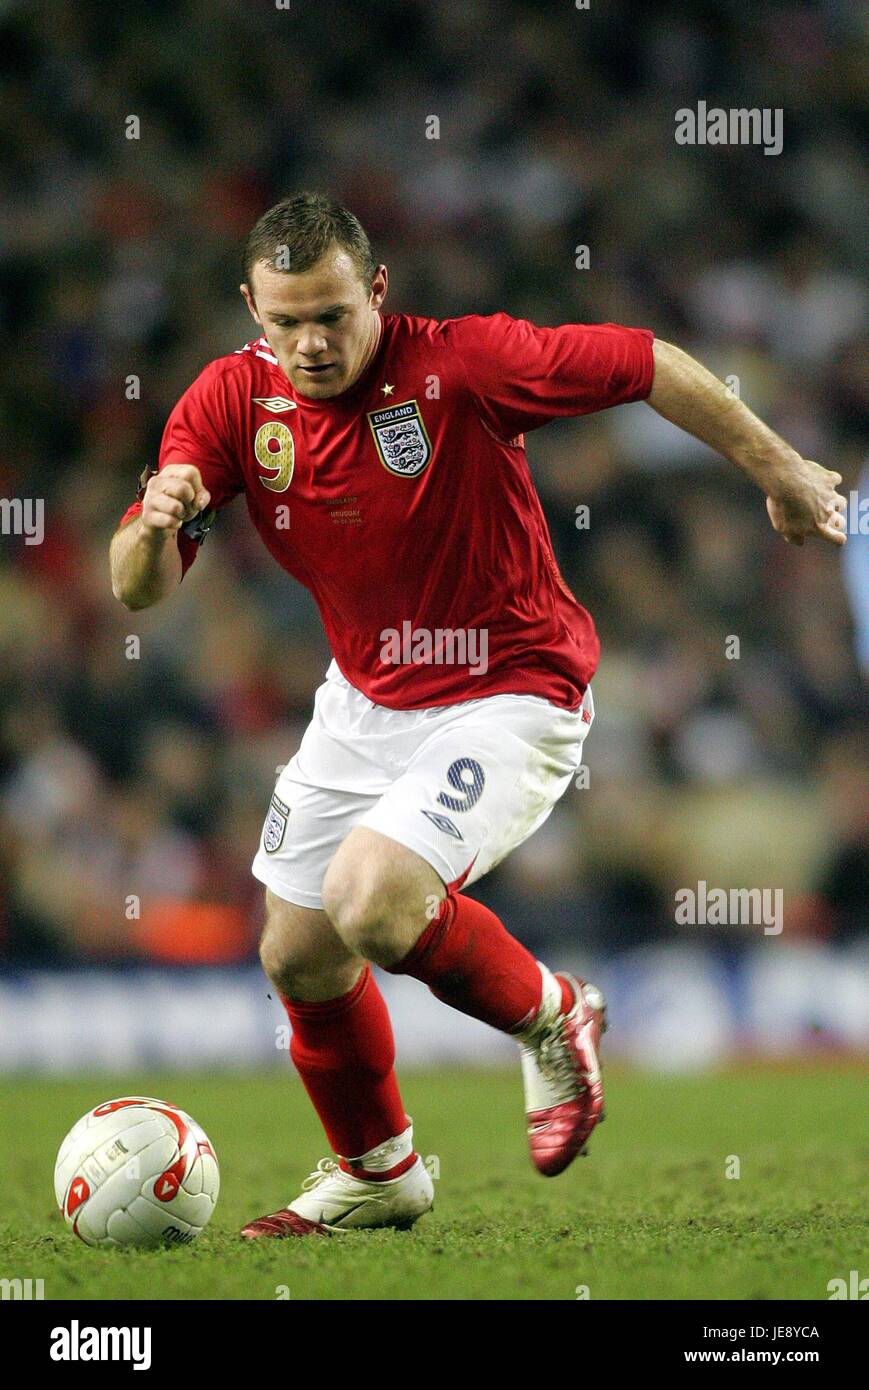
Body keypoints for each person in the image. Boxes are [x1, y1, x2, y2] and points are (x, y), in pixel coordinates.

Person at [110, 192, 847, 1238]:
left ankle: (555, 1015)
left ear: (376, 290)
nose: (311, 344)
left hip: (511, 690)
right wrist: (159, 523)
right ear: (251, 311)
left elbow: (647, 361)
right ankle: (378, 1171)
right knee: (297, 952)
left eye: (332, 314)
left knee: (370, 899)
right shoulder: (231, 403)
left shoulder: (463, 365)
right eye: (286, 322)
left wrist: (775, 467)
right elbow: (136, 588)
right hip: (364, 699)